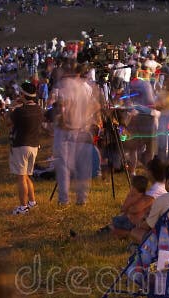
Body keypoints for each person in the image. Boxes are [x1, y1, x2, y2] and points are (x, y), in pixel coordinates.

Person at [52, 65, 101, 206]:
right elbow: (96, 106)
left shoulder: (64, 86)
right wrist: (86, 116)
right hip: (82, 128)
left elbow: (61, 107)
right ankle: (82, 198)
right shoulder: (87, 87)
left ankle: (64, 199)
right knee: (83, 166)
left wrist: (62, 118)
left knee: (63, 165)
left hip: (65, 129)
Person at [8, 81, 44, 214]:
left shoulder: (19, 111)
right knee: (27, 175)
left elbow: (8, 122)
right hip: (34, 145)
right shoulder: (39, 109)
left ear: (23, 94)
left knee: (21, 177)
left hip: (21, 145)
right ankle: (32, 202)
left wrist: (12, 106)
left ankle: (23, 207)